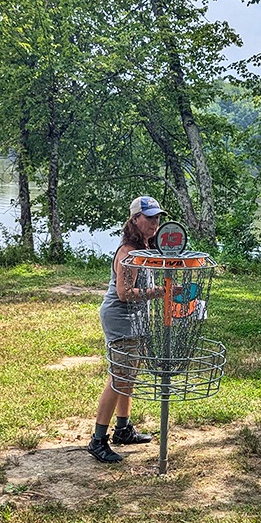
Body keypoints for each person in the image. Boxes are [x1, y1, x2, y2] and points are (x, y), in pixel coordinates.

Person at [88, 195, 166, 463]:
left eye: (157, 218)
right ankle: (98, 440)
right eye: (149, 217)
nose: (155, 222)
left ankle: (123, 429)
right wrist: (159, 293)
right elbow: (123, 293)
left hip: (135, 318)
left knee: (129, 374)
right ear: (135, 220)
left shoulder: (146, 247)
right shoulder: (128, 252)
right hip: (120, 317)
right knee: (119, 376)